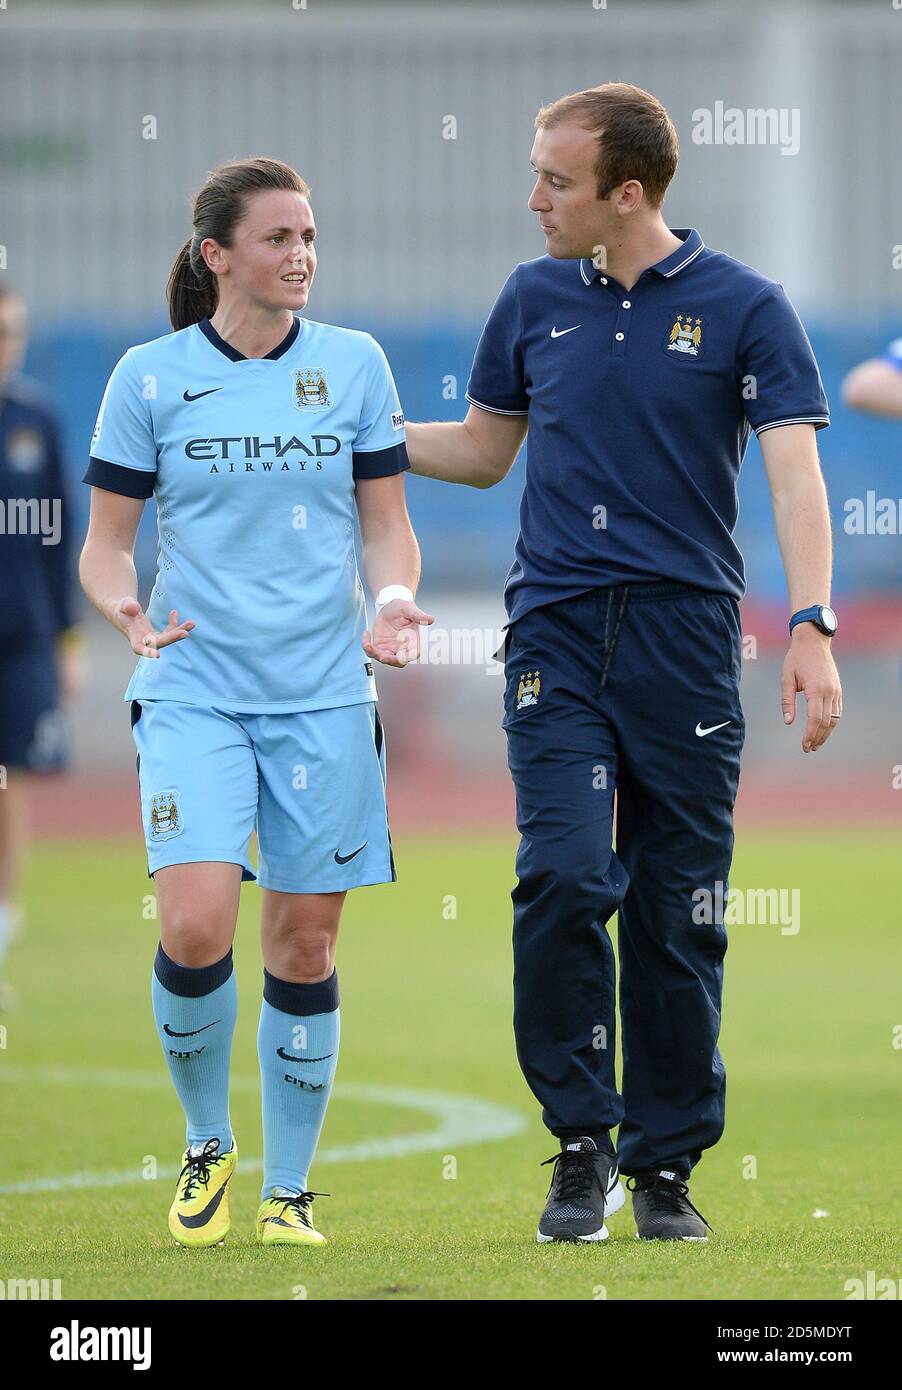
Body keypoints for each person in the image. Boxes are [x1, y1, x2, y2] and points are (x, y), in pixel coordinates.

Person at [404, 84, 842, 1244]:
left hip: (687, 640)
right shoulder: (531, 296)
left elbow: (794, 476)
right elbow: (484, 451)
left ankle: (662, 1167)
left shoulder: (748, 306)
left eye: (555, 178)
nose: (533, 197)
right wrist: (355, 431)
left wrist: (809, 622)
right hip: (553, 629)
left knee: (675, 908)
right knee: (558, 877)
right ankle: (579, 1144)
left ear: (626, 192)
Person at [79, 157, 432, 1248]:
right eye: (278, 238)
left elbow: (384, 523)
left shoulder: (355, 365)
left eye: (310, 237)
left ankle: (288, 1190)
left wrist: (394, 599)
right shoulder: (146, 377)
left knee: (303, 949)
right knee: (192, 925)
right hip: (190, 687)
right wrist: (127, 614)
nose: (301, 256)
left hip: (323, 695)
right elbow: (103, 546)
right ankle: (203, 1142)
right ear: (216, 254)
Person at [0, 284, 83, 1010]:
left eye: (13, 332)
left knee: (11, 784)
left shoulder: (38, 421)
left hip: (22, 637)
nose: (7, 345)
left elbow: (63, 538)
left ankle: (1, 941)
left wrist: (69, 638)